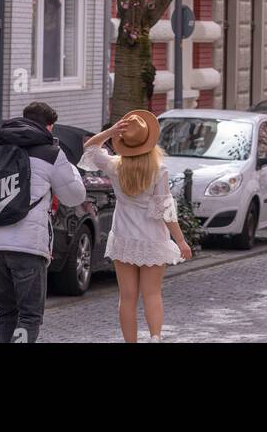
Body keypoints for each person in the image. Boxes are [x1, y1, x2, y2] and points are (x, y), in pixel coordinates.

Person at [0, 100, 86, 343]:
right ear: (49, 127)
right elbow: (75, 196)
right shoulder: (52, 154)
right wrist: (74, 169)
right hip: (27, 246)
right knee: (28, 316)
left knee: (6, 312)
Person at [80, 110, 192, 344]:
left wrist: (111, 132)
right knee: (152, 294)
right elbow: (165, 208)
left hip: (123, 236)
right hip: (152, 236)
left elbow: (89, 148)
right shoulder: (159, 169)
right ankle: (155, 337)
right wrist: (180, 241)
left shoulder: (115, 166)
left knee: (127, 297)